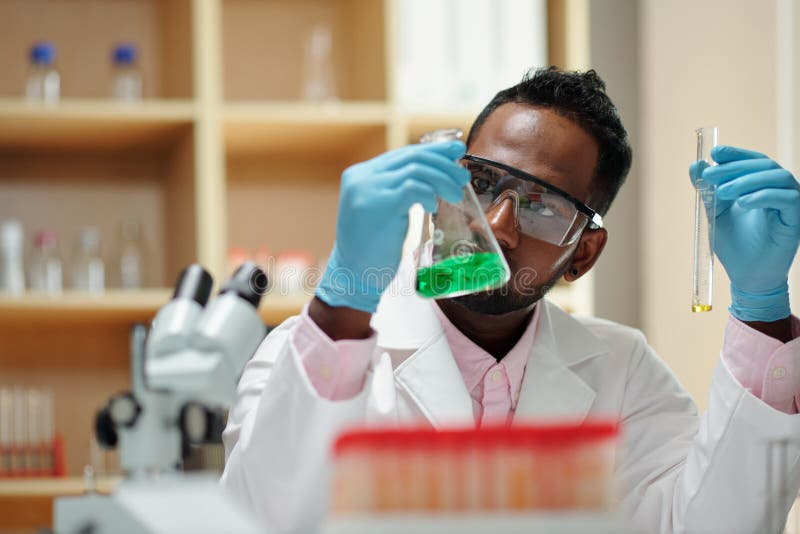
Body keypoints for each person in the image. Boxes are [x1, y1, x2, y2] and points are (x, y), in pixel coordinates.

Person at [220, 67, 800, 533]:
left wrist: (762, 307)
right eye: (482, 183)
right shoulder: (308, 356)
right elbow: (259, 520)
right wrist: (343, 299)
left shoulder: (623, 375)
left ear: (584, 253)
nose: (497, 226)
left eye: (541, 205)